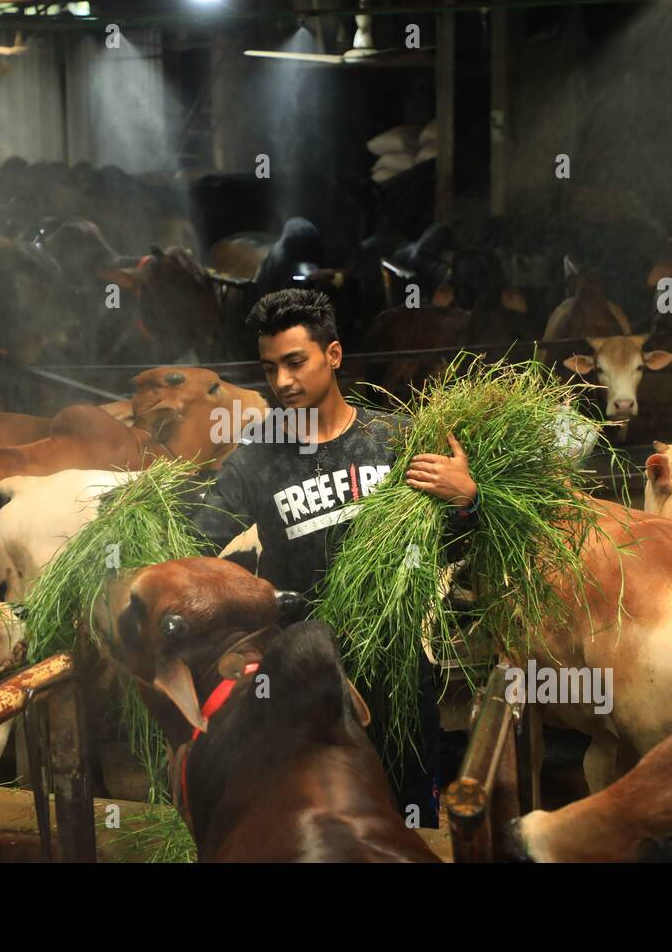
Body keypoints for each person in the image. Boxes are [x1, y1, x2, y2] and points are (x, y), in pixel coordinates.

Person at [191, 288, 479, 826]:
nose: (281, 382)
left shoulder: (392, 440)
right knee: (313, 826)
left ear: (334, 355)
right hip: (301, 677)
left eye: (295, 362)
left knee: (408, 824)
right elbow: (196, 543)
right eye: (270, 367)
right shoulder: (255, 459)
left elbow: (456, 548)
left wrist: (467, 500)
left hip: (396, 668)